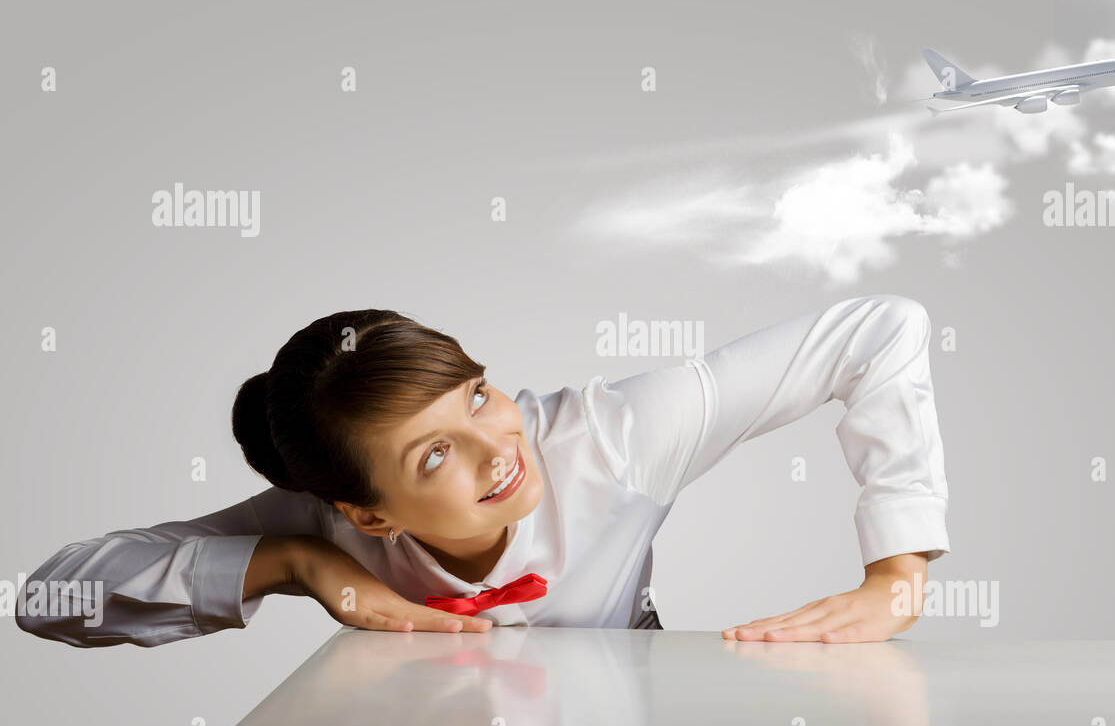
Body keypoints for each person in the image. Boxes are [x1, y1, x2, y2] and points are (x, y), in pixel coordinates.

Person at [15, 293, 951, 648]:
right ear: (367, 514)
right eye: (433, 454)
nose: (499, 446)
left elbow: (880, 331)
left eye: (475, 396)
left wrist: (898, 574)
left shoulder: (612, 438)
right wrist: (300, 567)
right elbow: (46, 597)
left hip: (629, 703)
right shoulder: (322, 526)